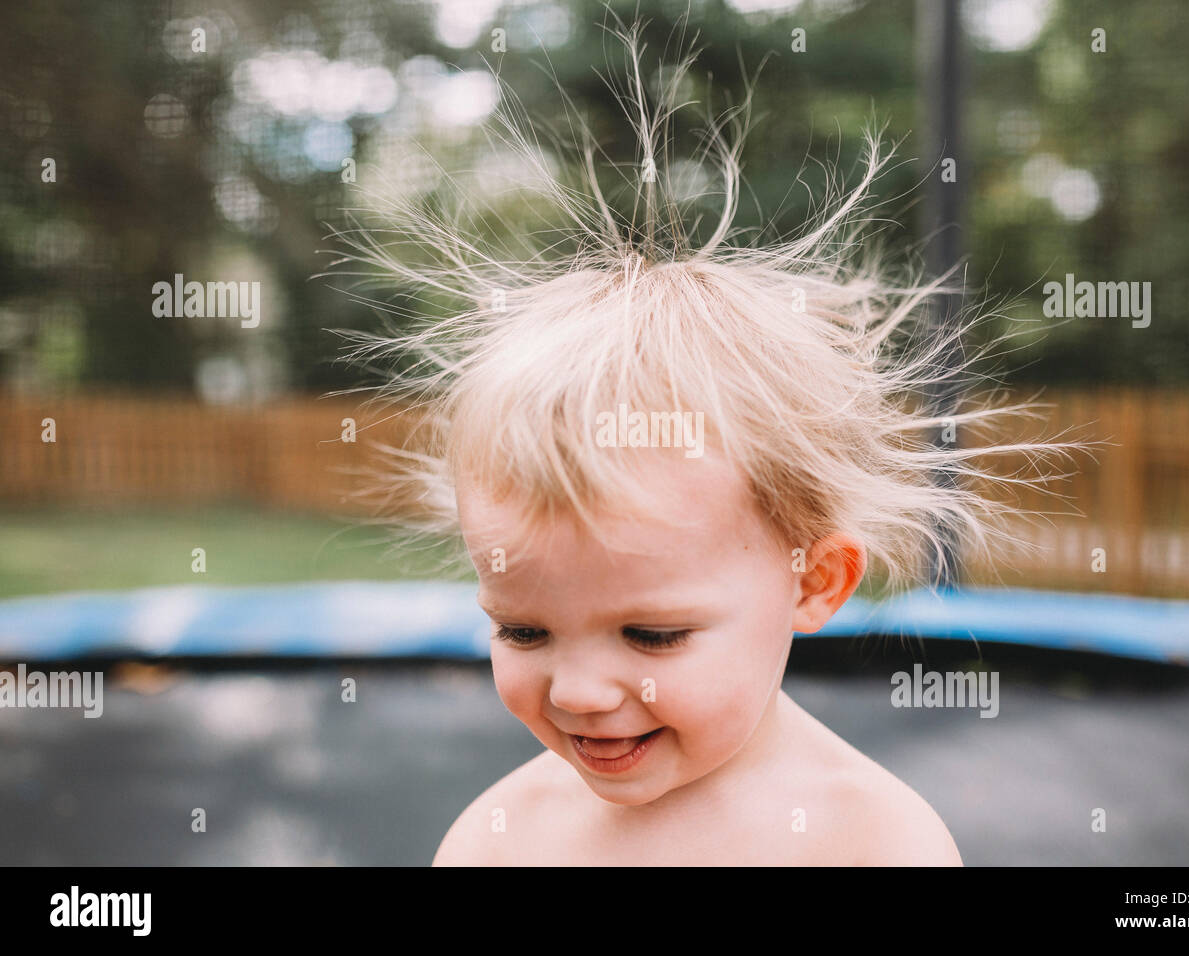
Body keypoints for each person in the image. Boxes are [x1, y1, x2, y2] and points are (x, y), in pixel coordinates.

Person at [328, 20, 1087, 866]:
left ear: (817, 581)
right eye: (524, 632)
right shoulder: (497, 842)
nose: (578, 692)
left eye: (652, 636)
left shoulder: (873, 844)